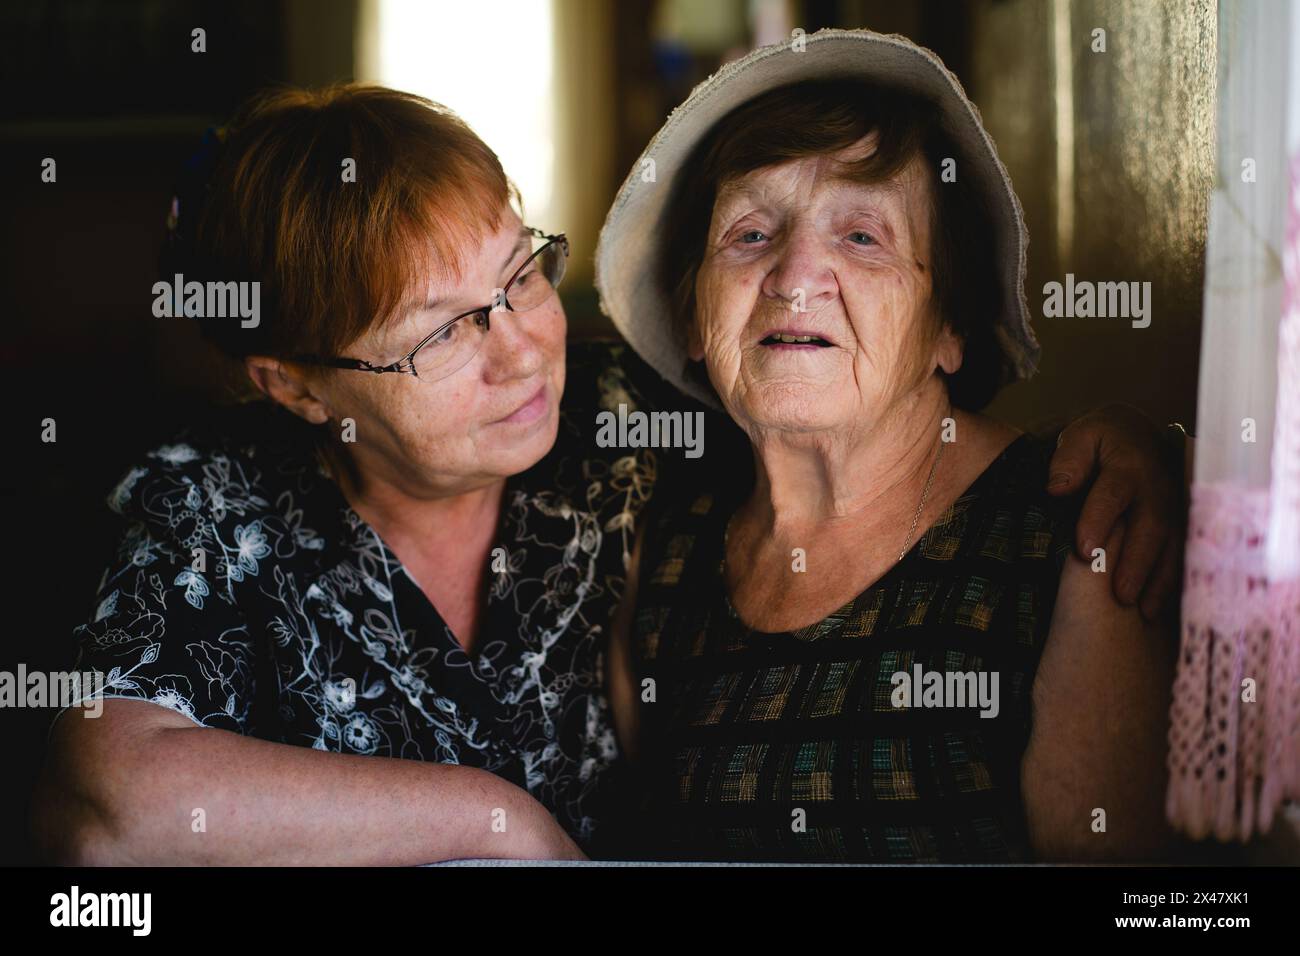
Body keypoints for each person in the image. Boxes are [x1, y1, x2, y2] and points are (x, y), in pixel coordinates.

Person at [34, 78, 1178, 865]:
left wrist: (1141, 439)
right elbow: (105, 803)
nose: (524, 347)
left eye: (522, 274)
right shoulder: (214, 508)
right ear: (297, 385)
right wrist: (496, 823)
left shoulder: (625, 423)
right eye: (441, 334)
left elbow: (844, 385)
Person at [598, 31, 1180, 862]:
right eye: (751, 233)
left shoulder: (1073, 539)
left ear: (949, 328)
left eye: (862, 237)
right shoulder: (666, 554)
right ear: (696, 317)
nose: (796, 276)